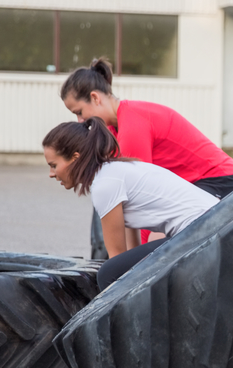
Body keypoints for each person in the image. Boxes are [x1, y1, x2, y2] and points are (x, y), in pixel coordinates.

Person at [60, 58, 233, 253]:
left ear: (95, 98)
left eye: (79, 112)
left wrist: (141, 260)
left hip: (220, 181)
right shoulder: (114, 130)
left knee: (157, 245)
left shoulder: (132, 127)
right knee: (151, 247)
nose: (80, 121)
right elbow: (124, 201)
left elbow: (145, 199)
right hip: (192, 184)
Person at [43, 118, 218, 290]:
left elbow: (116, 258)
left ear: (75, 158)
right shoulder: (114, 171)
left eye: (53, 165)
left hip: (201, 230)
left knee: (108, 274)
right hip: (213, 221)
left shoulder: (104, 184)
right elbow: (128, 257)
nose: (51, 173)